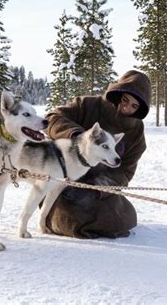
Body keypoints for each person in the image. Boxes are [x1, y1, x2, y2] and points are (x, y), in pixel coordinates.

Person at [44, 70, 151, 239]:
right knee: (70, 216)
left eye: (134, 106)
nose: (126, 107)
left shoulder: (136, 133)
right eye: (125, 100)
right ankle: (53, 218)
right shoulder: (88, 104)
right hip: (63, 179)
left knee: (122, 218)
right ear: (118, 94)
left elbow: (124, 172)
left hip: (96, 188)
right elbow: (52, 118)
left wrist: (98, 186)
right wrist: (76, 136)